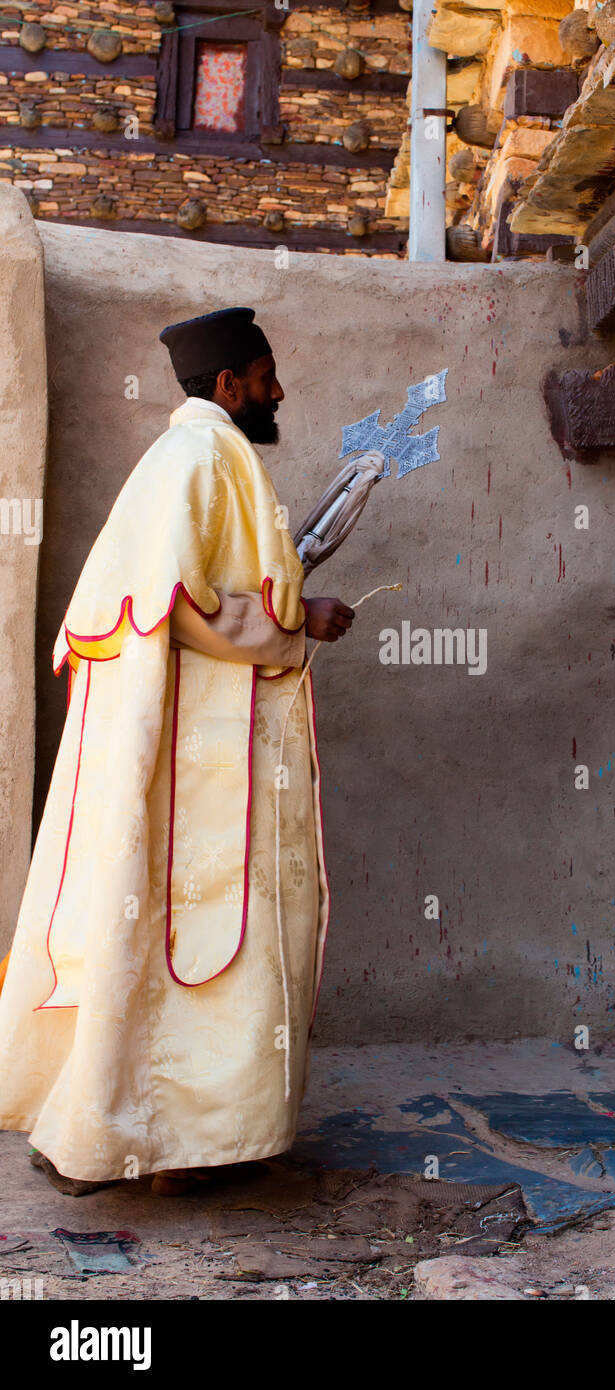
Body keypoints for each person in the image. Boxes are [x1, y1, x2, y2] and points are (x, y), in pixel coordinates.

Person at [0, 306, 357, 1196]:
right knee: (194, 933)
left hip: (178, 750)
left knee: (134, 927)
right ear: (229, 385)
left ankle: (104, 1130)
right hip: (198, 765)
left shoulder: (178, 459)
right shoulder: (204, 456)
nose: (280, 390)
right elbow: (183, 604)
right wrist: (296, 620)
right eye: (266, 374)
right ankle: (172, 1148)